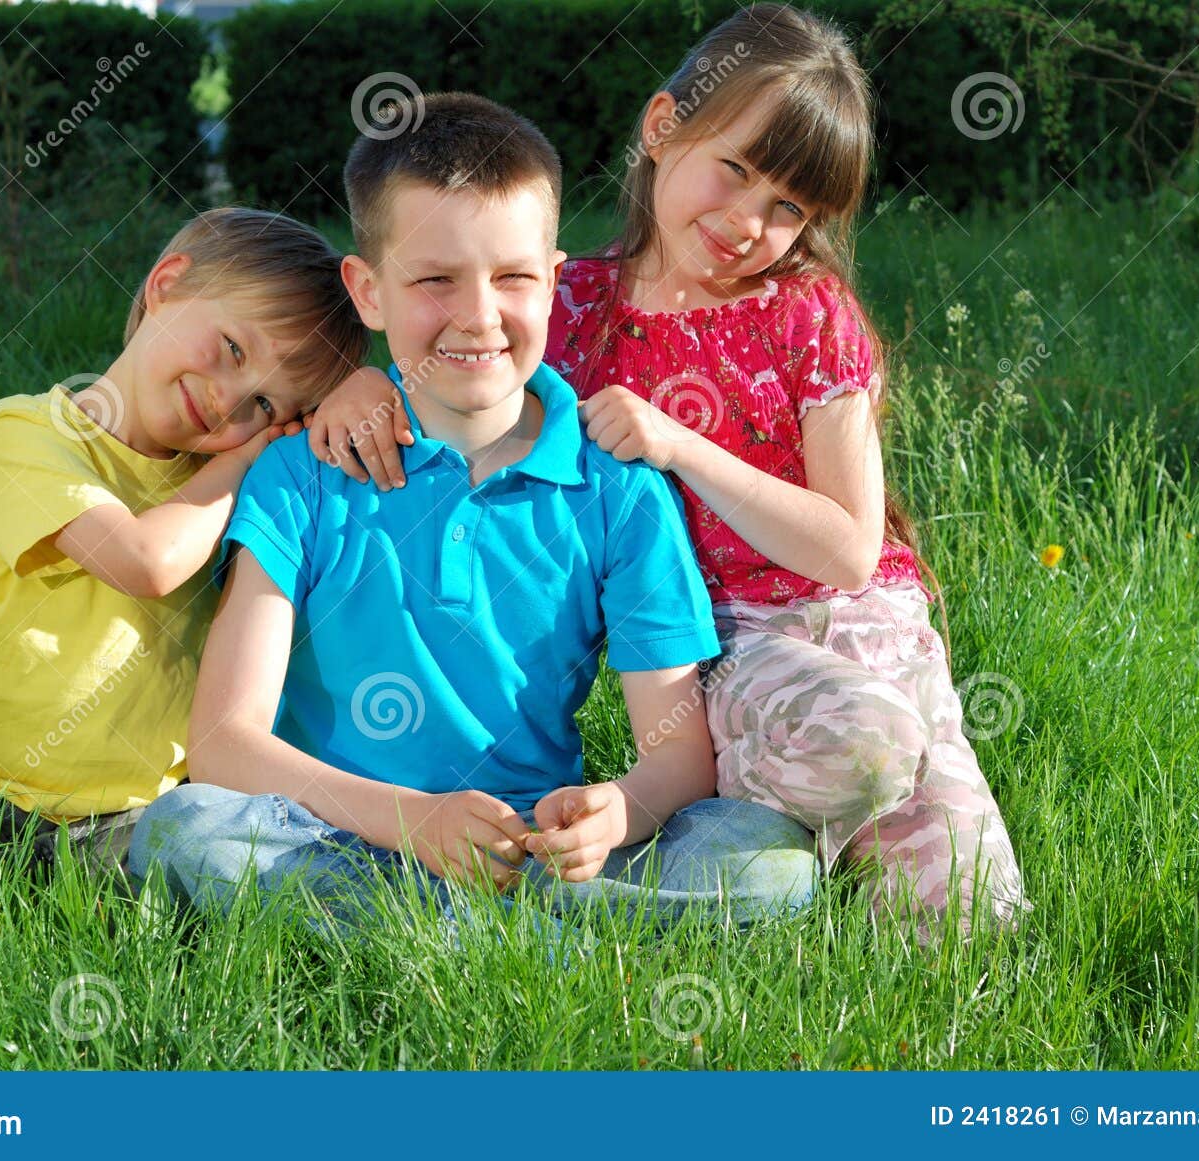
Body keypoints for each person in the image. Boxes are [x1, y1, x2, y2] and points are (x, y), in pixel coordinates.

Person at [305, 6, 1030, 942]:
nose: (747, 222)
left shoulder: (812, 313)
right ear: (662, 130)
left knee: (976, 931)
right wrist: (361, 377)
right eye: (733, 169)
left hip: (878, 633)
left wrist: (682, 445)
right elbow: (453, 341)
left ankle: (789, 825)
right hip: (725, 645)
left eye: (789, 208)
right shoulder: (568, 306)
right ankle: (771, 816)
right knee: (867, 744)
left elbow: (850, 550)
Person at [127, 92, 818, 937]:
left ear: (555, 280)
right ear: (368, 291)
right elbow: (225, 743)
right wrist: (413, 821)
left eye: (514, 277)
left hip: (525, 850)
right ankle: (524, 941)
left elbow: (677, 756)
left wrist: (618, 811)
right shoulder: (304, 472)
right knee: (185, 832)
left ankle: (458, 934)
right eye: (434, 280)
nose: (479, 315)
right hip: (331, 835)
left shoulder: (619, 486)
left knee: (765, 856)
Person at [0, 208, 370, 896]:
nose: (229, 400)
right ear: (166, 283)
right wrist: (252, 453)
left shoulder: (231, 483)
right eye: (231, 348)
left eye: (263, 404)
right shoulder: (22, 434)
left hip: (136, 814)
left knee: (242, 878)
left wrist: (363, 388)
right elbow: (146, 560)